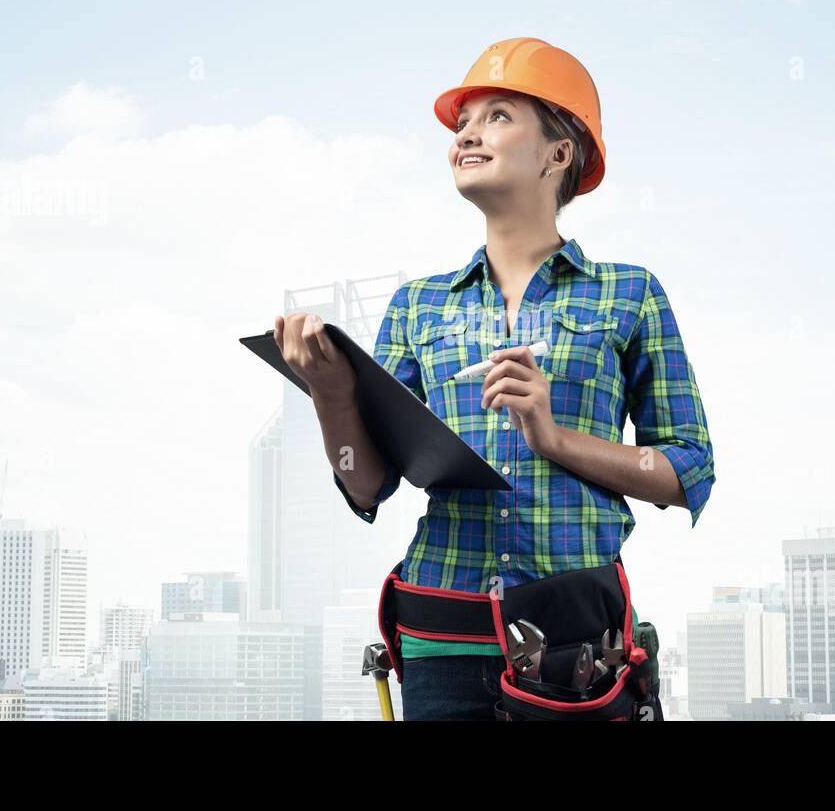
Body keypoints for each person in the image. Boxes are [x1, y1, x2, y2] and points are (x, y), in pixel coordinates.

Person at [273, 37, 715, 720]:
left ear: (557, 153)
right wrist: (331, 396)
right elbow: (367, 483)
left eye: (498, 115)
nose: (467, 134)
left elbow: (687, 469)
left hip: (575, 649)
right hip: (439, 639)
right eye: (463, 123)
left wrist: (555, 439)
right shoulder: (419, 305)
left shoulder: (629, 295)